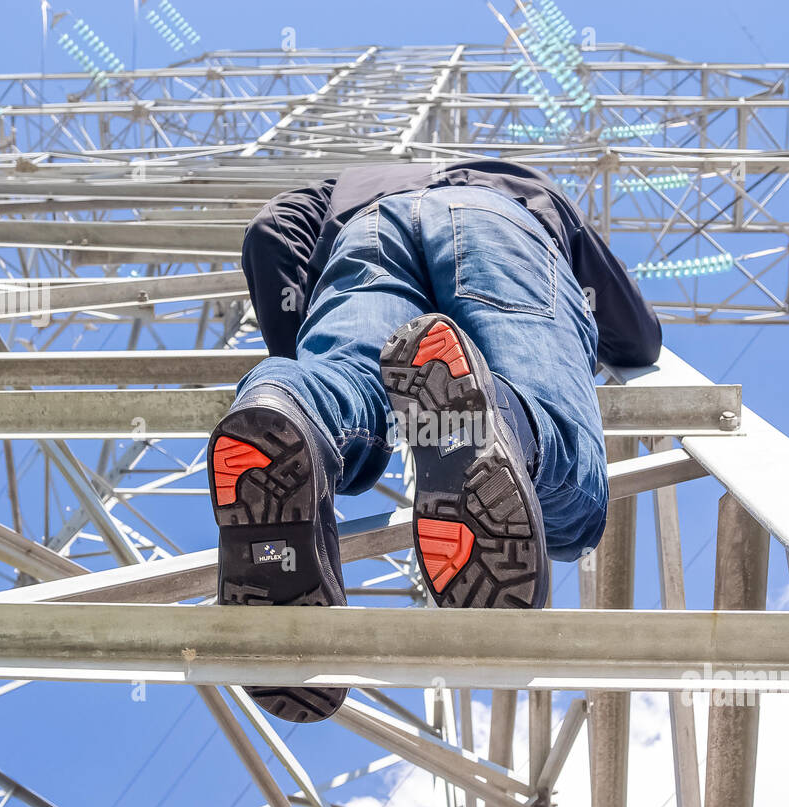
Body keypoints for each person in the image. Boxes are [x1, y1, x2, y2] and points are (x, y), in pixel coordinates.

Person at [207, 159, 662, 722]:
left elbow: (271, 230)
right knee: (567, 487)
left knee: (342, 378)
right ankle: (496, 422)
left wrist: (295, 359)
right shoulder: (526, 185)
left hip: (367, 231)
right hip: (501, 227)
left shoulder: (347, 183)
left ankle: (295, 406)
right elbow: (638, 338)